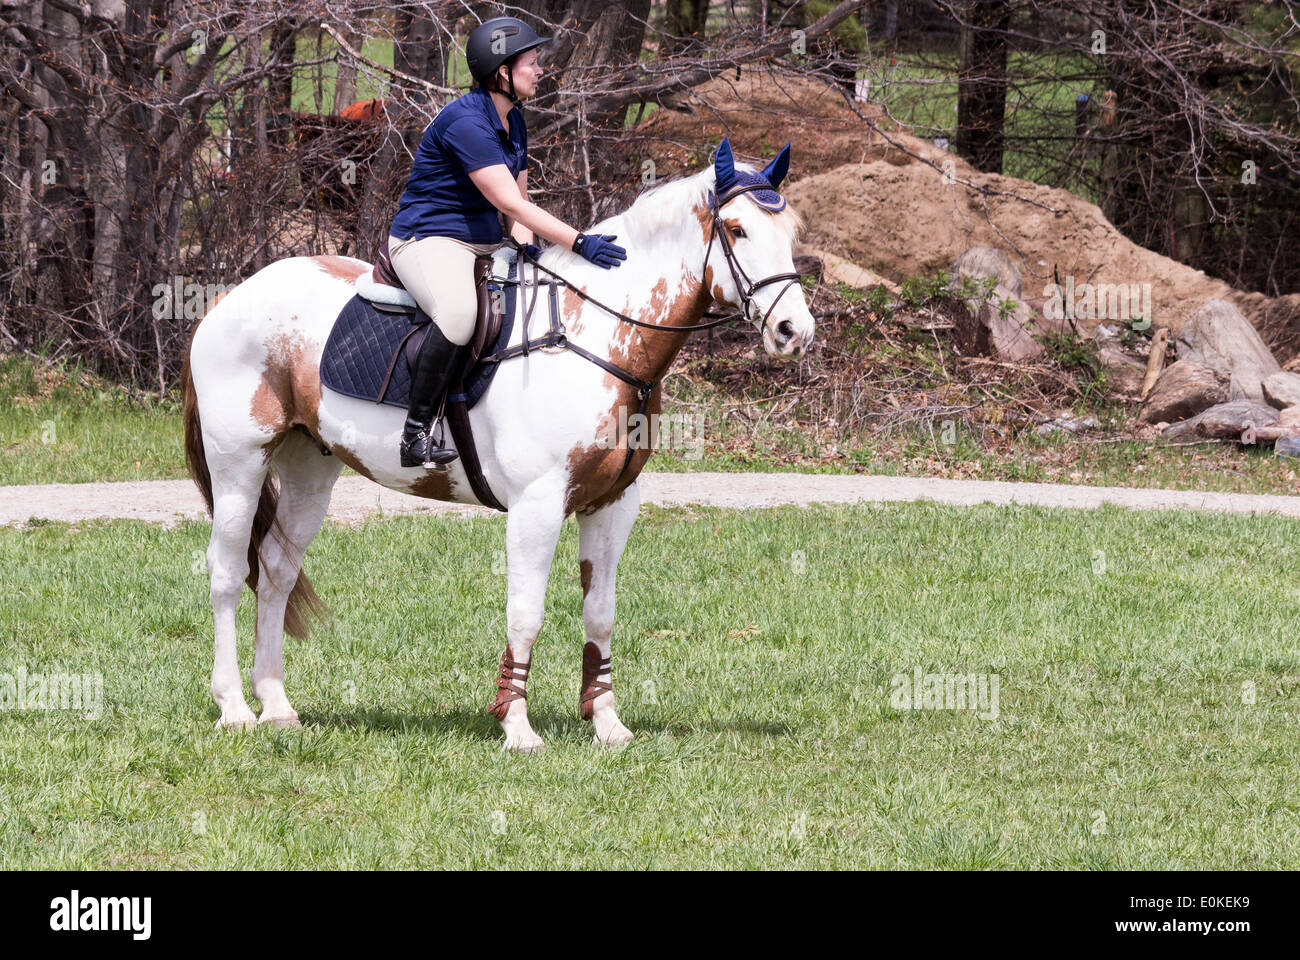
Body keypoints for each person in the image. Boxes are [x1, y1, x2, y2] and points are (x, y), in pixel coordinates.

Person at [388, 15, 628, 468]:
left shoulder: (513, 121)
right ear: (503, 72)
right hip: (427, 239)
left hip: (481, 243)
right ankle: (415, 433)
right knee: (459, 316)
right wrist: (578, 242)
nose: (540, 71)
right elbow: (510, 204)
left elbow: (520, 202)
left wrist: (531, 250)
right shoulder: (466, 123)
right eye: (532, 63)